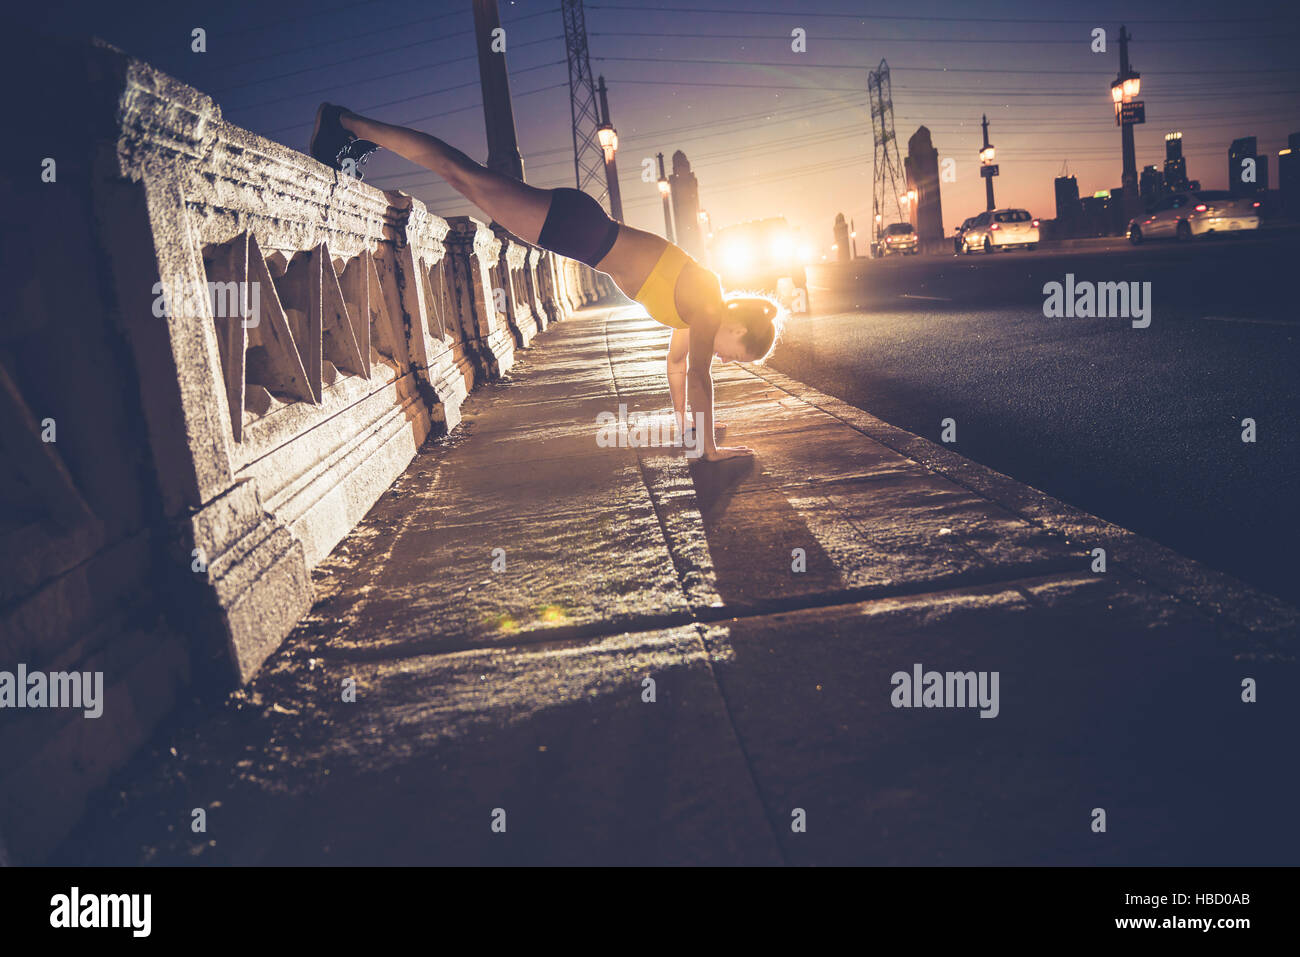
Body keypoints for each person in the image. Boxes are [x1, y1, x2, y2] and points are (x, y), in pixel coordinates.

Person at [310, 104, 783, 462]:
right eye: (735, 353)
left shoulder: (699, 307)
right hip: (577, 228)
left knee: (463, 176)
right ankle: (347, 124)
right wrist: (709, 452)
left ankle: (352, 131)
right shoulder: (707, 301)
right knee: (459, 173)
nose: (724, 358)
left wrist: (689, 432)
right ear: (738, 329)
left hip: (578, 231)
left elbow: (678, 368)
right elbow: (698, 372)